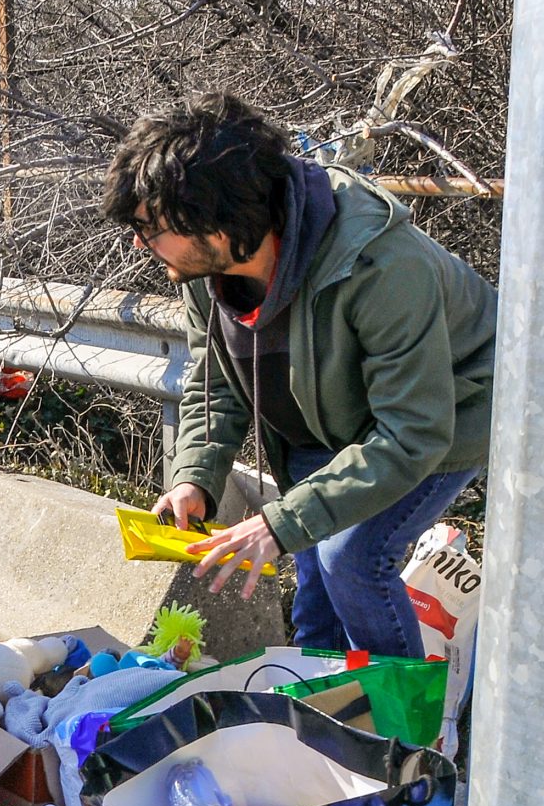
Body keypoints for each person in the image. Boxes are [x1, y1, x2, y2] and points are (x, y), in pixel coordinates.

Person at [103, 93, 497, 657]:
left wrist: (280, 524)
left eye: (151, 228)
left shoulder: (380, 264)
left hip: (445, 410)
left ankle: (404, 710)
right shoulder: (201, 266)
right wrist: (194, 477)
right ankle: (319, 699)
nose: (140, 244)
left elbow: (413, 431)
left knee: (351, 561)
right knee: (315, 594)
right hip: (324, 421)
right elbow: (216, 380)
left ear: (215, 224)